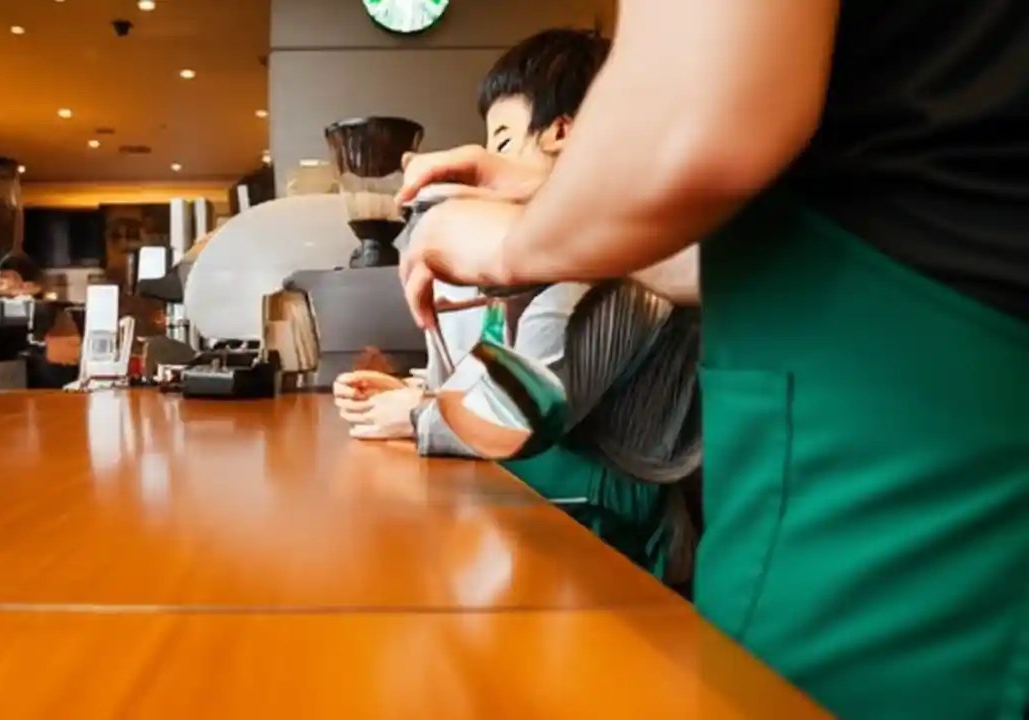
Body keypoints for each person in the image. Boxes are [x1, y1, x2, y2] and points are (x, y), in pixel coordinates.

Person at [396, 2, 1028, 719]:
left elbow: (695, 125)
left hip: (896, 454)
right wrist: (539, 199)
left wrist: (507, 244)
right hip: (880, 426)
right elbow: (725, 242)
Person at [334, 29, 702, 583]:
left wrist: (414, 415)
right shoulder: (575, 250)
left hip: (622, 539)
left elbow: (513, 415)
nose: (488, 165)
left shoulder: (605, 267)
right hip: (561, 519)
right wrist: (422, 393)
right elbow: (479, 381)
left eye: (502, 142)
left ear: (561, 131)